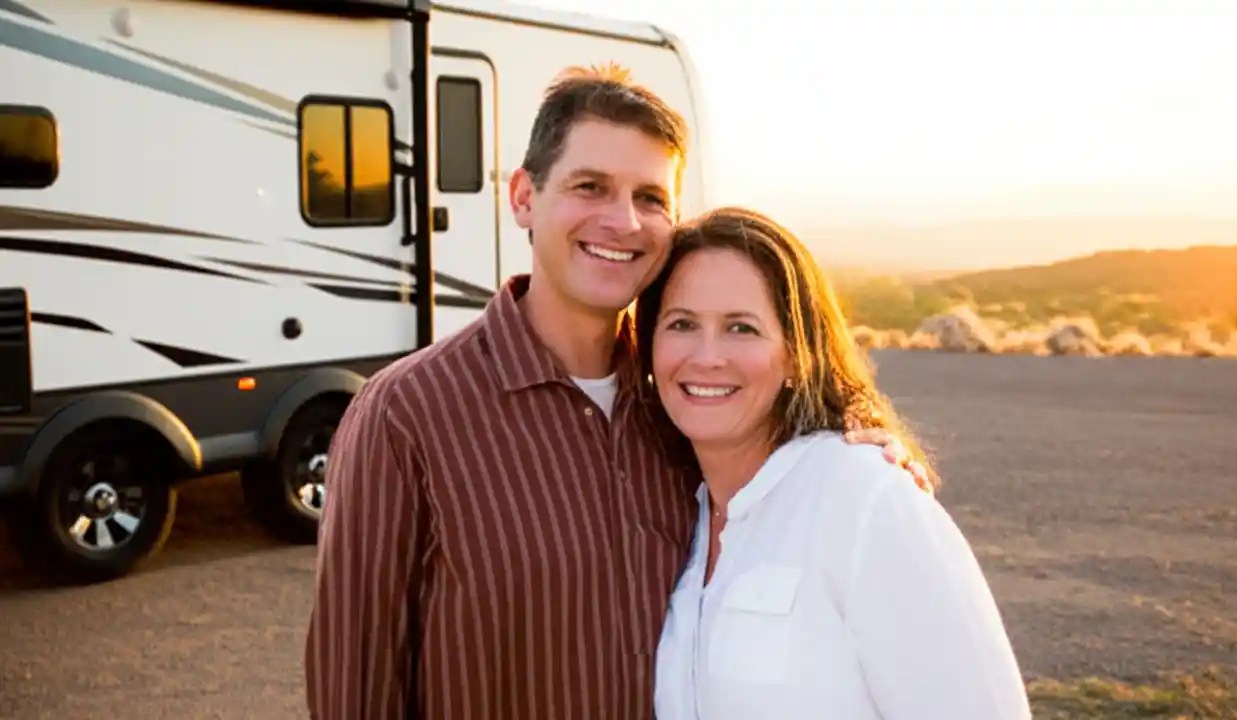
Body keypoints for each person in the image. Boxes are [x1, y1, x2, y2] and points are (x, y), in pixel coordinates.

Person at [303, 64, 928, 720]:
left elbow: (795, 462)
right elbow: (357, 692)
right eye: (590, 187)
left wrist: (861, 442)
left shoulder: (686, 404)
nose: (623, 221)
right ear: (523, 197)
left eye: (651, 198)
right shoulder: (405, 415)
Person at [638, 207, 1032, 719]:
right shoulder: (673, 514)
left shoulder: (865, 498)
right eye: (682, 324)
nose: (707, 355)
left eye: (742, 328)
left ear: (797, 355)